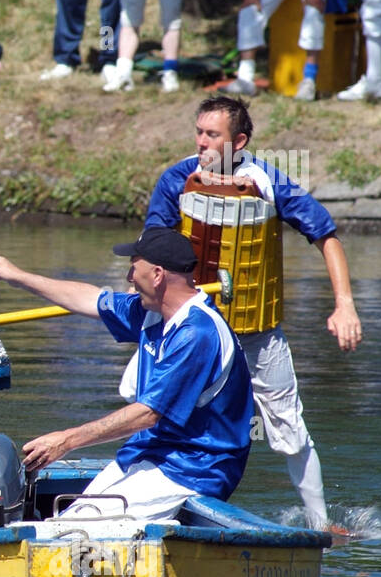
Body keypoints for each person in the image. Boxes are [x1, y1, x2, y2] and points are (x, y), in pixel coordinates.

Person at [143, 94, 361, 530]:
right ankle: (156, 504)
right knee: (157, 414)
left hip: (256, 333)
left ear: (238, 141)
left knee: (289, 430)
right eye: (199, 132)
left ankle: (320, 526)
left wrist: (344, 305)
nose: (203, 142)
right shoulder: (176, 180)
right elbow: (151, 247)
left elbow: (327, 235)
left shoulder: (267, 181)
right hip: (193, 331)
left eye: (214, 135)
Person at [0, 229, 253, 520]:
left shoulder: (197, 333)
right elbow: (89, 298)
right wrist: (16, 275)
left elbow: (148, 414)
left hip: (194, 468)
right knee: (65, 520)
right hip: (147, 453)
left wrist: (66, 441)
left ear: (157, 274)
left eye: (134, 267)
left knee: (68, 531)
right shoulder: (152, 312)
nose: (129, 277)